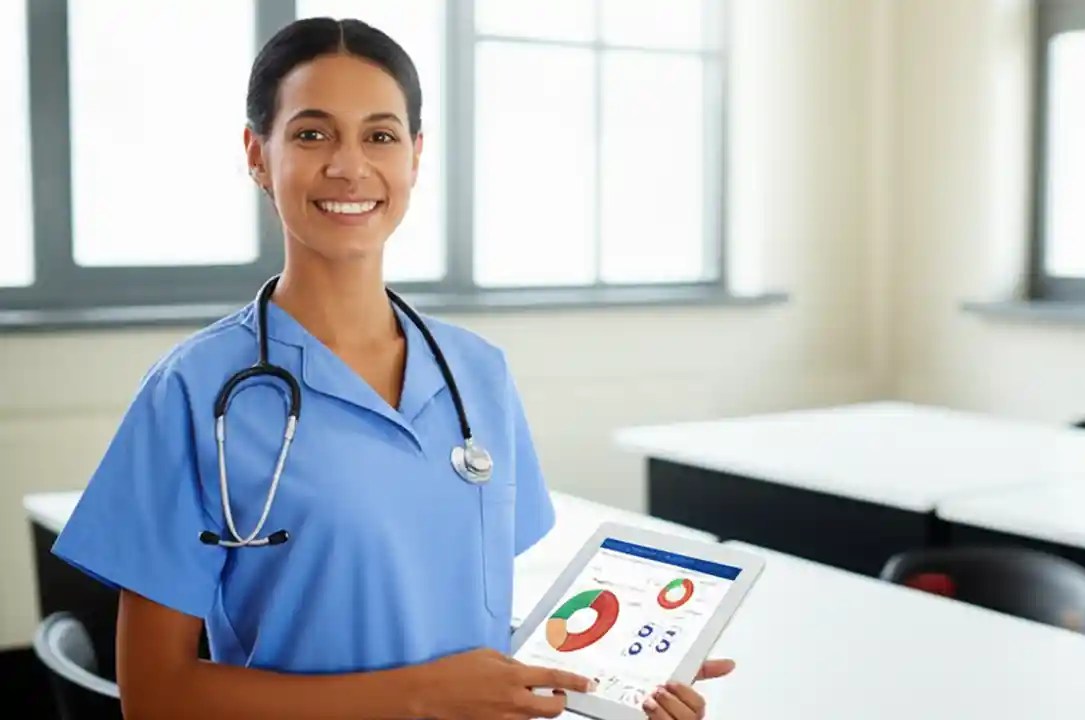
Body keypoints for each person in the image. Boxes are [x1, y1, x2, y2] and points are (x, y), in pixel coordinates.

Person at [52, 16, 733, 720]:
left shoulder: (479, 375)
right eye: (312, 134)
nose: (350, 166)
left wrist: (616, 673)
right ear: (258, 154)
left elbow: (464, 633)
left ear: (415, 155)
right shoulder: (193, 393)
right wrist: (415, 699)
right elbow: (157, 696)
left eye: (379, 135)